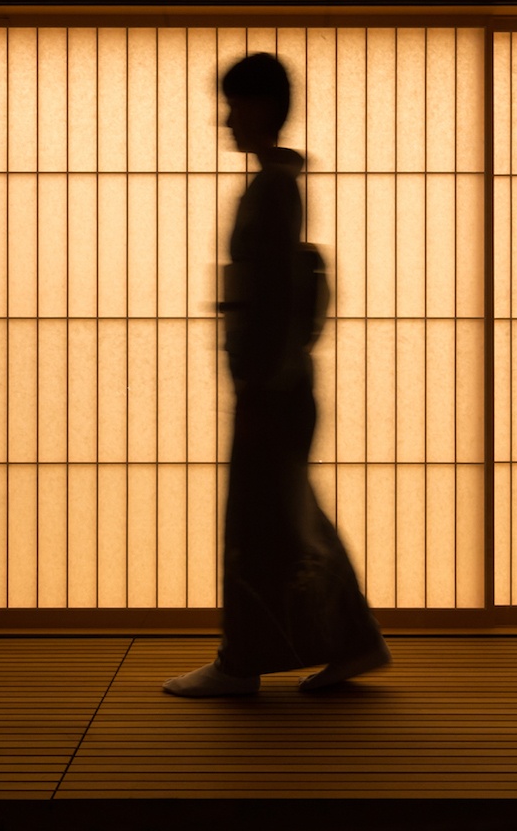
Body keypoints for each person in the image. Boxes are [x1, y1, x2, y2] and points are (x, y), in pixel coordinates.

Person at [163, 53, 390, 698]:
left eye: (234, 105)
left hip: (272, 383)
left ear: (261, 108)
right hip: (277, 380)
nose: (225, 119)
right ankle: (353, 643)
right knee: (289, 521)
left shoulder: (275, 189)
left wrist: (263, 374)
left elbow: (278, 294)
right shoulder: (276, 184)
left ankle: (243, 664)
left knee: (260, 527)